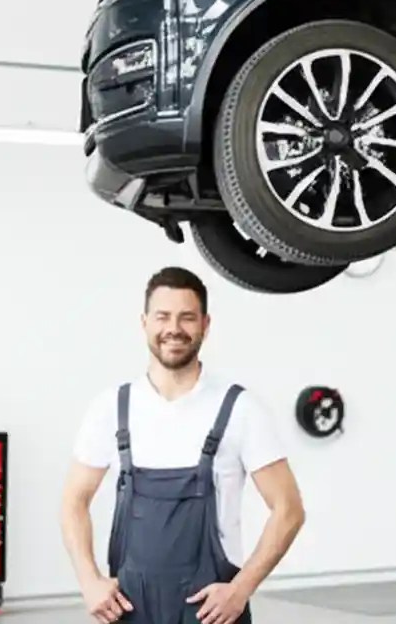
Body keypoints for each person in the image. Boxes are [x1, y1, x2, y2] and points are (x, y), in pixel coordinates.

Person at [60, 266, 306, 624]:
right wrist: (88, 580)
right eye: (163, 317)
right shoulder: (111, 408)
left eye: (187, 318)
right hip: (130, 610)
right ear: (144, 322)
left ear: (205, 324)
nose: (173, 329)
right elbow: (73, 500)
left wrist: (240, 590)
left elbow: (289, 509)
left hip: (212, 611)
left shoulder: (240, 408)